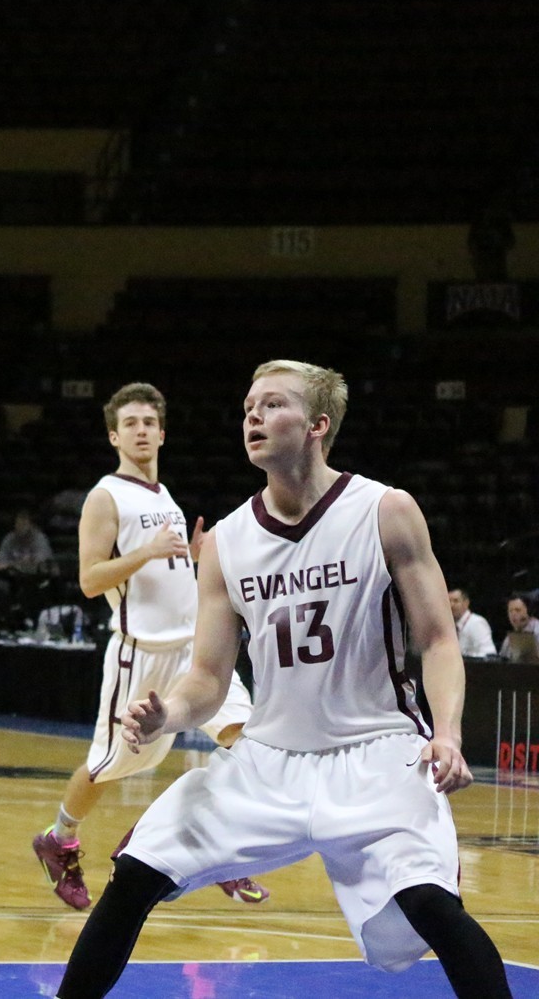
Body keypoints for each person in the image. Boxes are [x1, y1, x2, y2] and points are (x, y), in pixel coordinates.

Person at [55, 360, 513, 999]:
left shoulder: (385, 510)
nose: (253, 415)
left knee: (432, 907)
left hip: (377, 753)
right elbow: (209, 679)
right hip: (269, 760)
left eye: (273, 404)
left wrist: (450, 735)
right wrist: (171, 715)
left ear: (319, 425)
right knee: (136, 872)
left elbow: (438, 639)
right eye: (249, 405)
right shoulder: (227, 541)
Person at [32, 383, 267, 910]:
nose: (141, 430)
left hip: (195, 652)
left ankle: (211, 853)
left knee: (248, 742)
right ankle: (59, 839)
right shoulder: (105, 496)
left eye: (149, 422)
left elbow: (171, 576)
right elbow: (91, 580)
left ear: (162, 432)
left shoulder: (166, 498)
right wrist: (147, 551)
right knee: (110, 766)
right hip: (141, 656)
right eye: (130, 423)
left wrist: (195, 557)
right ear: (115, 435)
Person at [0, 509, 56, 576]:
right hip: (13, 578)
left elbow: (40, 565)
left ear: (32, 526)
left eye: (24, 523)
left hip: (36, 578)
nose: (21, 526)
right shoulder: (9, 538)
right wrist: (17, 566)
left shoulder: (40, 538)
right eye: (18, 523)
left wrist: (12, 565)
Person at [449, 587, 495, 659]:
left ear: (466, 603)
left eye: (456, 601)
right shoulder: (452, 625)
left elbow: (489, 654)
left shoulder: (476, 622)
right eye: (449, 601)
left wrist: (468, 658)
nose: (451, 605)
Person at [500, 594, 539, 662]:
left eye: (517, 610)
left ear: (529, 611)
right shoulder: (511, 636)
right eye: (510, 611)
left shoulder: (537, 629)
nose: (513, 614)